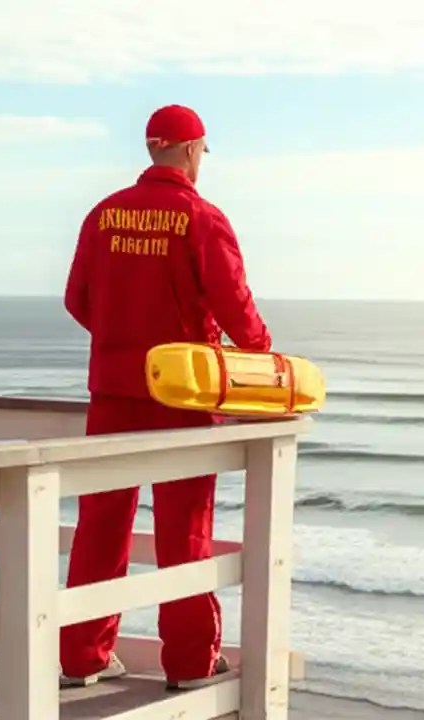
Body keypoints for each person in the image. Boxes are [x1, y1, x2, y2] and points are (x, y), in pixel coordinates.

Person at [58, 104, 272, 690]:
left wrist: (121, 340)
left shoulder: (104, 215)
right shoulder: (201, 218)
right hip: (181, 396)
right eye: (202, 150)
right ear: (190, 149)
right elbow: (236, 308)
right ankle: (189, 662)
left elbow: (77, 298)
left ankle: (82, 657)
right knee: (186, 532)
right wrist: (260, 357)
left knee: (101, 524)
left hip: (112, 393)